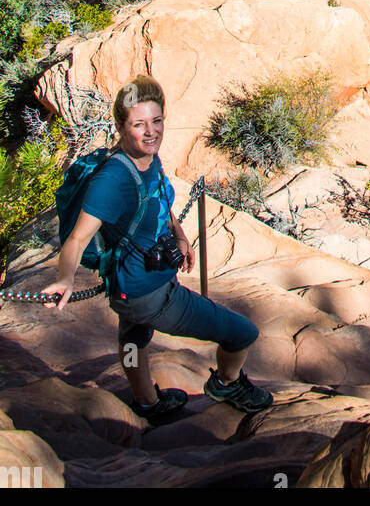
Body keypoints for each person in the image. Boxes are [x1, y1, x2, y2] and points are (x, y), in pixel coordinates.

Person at [43, 74, 273, 425]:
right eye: (139, 124)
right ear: (121, 127)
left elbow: (160, 201)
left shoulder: (148, 158)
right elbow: (76, 238)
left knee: (134, 337)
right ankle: (227, 384)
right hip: (148, 293)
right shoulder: (112, 179)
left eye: (157, 121)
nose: (151, 132)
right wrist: (65, 279)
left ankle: (147, 402)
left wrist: (179, 235)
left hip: (127, 285)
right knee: (241, 333)